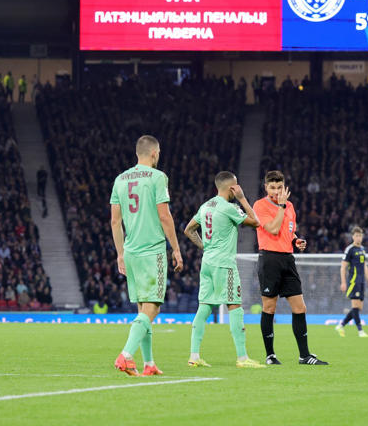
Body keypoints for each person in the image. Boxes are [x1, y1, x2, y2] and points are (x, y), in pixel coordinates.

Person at [110, 135, 183, 376]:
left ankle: (149, 363)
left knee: (143, 307)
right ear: (154, 153)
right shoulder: (158, 177)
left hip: (131, 251)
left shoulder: (120, 179)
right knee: (153, 308)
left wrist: (120, 254)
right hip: (152, 251)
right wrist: (176, 248)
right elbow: (165, 216)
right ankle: (126, 354)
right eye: (159, 152)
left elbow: (115, 221)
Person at [183, 171, 265, 368]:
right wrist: (243, 198)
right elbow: (255, 222)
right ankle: (243, 358)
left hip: (207, 263)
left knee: (204, 307)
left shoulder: (206, 206)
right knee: (235, 306)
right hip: (224, 264)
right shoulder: (229, 207)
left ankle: (194, 356)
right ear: (231, 188)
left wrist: (205, 247)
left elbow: (188, 230)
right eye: (235, 186)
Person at [253, 170, 328, 365]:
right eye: (272, 187)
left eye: (279, 187)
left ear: (284, 186)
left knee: (300, 306)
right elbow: (272, 229)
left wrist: (296, 240)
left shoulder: (290, 206)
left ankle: (304, 355)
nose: (276, 191)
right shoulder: (260, 206)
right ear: (266, 187)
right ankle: (270, 355)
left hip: (287, 258)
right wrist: (281, 206)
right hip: (269, 259)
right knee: (269, 307)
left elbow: (288, 231)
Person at [335, 226, 368, 337]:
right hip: (353, 281)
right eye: (356, 235)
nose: (358, 237)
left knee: (359, 308)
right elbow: (343, 267)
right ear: (353, 237)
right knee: (355, 306)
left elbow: (365, 265)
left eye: (360, 235)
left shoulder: (362, 249)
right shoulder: (350, 249)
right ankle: (360, 331)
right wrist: (343, 282)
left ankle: (341, 325)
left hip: (361, 282)